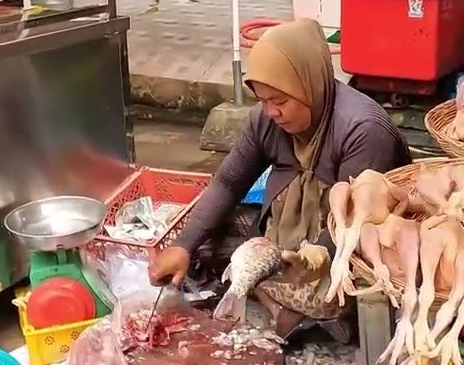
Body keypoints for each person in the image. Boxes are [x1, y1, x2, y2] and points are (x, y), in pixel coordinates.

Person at [148, 20, 411, 338]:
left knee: (357, 283)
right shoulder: (265, 119)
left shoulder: (363, 129)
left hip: (343, 245)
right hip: (285, 241)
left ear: (309, 86)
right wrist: (183, 246)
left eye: (281, 101)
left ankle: (320, 316)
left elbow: (355, 222)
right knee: (206, 243)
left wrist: (309, 261)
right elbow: (229, 183)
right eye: (263, 100)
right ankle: (284, 311)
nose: (271, 112)